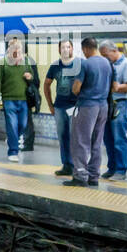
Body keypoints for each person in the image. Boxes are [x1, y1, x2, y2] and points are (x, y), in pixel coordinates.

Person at [65, 37, 111, 187]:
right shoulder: (107, 63)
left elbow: (76, 88)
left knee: (80, 141)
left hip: (87, 106)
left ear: (85, 49)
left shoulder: (86, 64)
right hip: (103, 106)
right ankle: (93, 176)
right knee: (96, 142)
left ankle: (80, 176)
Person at [0, 37, 36, 162]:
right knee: (12, 125)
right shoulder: (3, 62)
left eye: (18, 48)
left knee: (22, 124)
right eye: (14, 48)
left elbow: (33, 78)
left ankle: (12, 138)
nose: (16, 51)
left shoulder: (26, 61)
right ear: (9, 49)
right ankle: (13, 151)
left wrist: (29, 77)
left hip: (23, 100)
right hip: (8, 99)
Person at [44, 40, 82, 177]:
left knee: (75, 136)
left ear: (72, 48)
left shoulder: (80, 64)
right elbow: (46, 84)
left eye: (68, 47)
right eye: (63, 47)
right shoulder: (55, 66)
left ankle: (78, 166)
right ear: (59, 50)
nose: (66, 50)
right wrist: (50, 104)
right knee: (62, 136)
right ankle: (67, 165)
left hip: (75, 106)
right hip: (59, 106)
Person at [99, 41, 127, 181]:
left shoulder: (126, 64)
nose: (104, 58)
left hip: (120, 104)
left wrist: (115, 87)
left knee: (119, 138)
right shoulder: (109, 64)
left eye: (105, 55)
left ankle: (121, 170)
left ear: (114, 51)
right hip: (107, 104)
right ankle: (112, 167)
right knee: (108, 138)